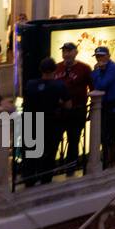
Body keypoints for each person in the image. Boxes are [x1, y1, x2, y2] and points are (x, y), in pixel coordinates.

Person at [20, 58, 68, 186]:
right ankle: (45, 179)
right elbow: (68, 104)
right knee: (48, 153)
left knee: (31, 153)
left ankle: (29, 179)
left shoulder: (30, 84)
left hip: (32, 123)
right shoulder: (59, 86)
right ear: (54, 70)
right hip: (50, 124)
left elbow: (27, 101)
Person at [55, 42, 93, 173]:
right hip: (59, 112)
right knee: (55, 139)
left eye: (69, 51)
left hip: (77, 111)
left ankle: (71, 167)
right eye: (64, 51)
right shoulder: (57, 68)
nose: (66, 54)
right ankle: (54, 167)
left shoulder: (84, 68)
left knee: (74, 139)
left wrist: (91, 109)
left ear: (75, 52)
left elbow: (92, 88)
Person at [90, 47, 115, 170]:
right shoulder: (102, 70)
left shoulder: (114, 69)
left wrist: (96, 72)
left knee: (110, 135)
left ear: (108, 56)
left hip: (112, 106)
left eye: (102, 56)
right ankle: (104, 162)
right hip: (102, 107)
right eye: (98, 57)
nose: (99, 59)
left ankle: (111, 163)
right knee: (103, 136)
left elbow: (100, 85)